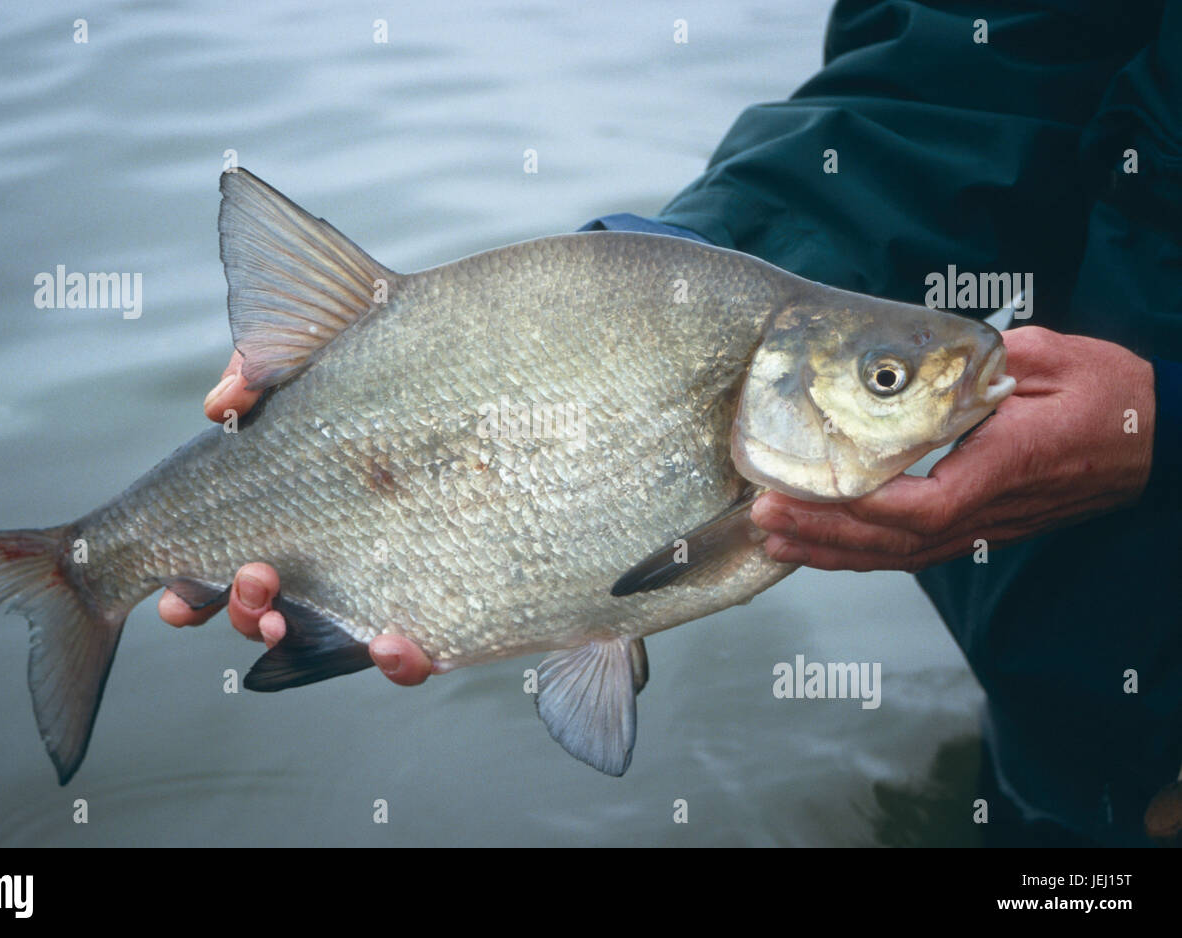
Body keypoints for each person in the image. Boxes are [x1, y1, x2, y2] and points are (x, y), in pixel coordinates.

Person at [162, 0, 1181, 845]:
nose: (951, 368)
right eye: (885, 378)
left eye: (881, 379)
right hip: (1069, 719)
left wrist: (1163, 421)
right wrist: (653, 276)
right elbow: (959, 81)